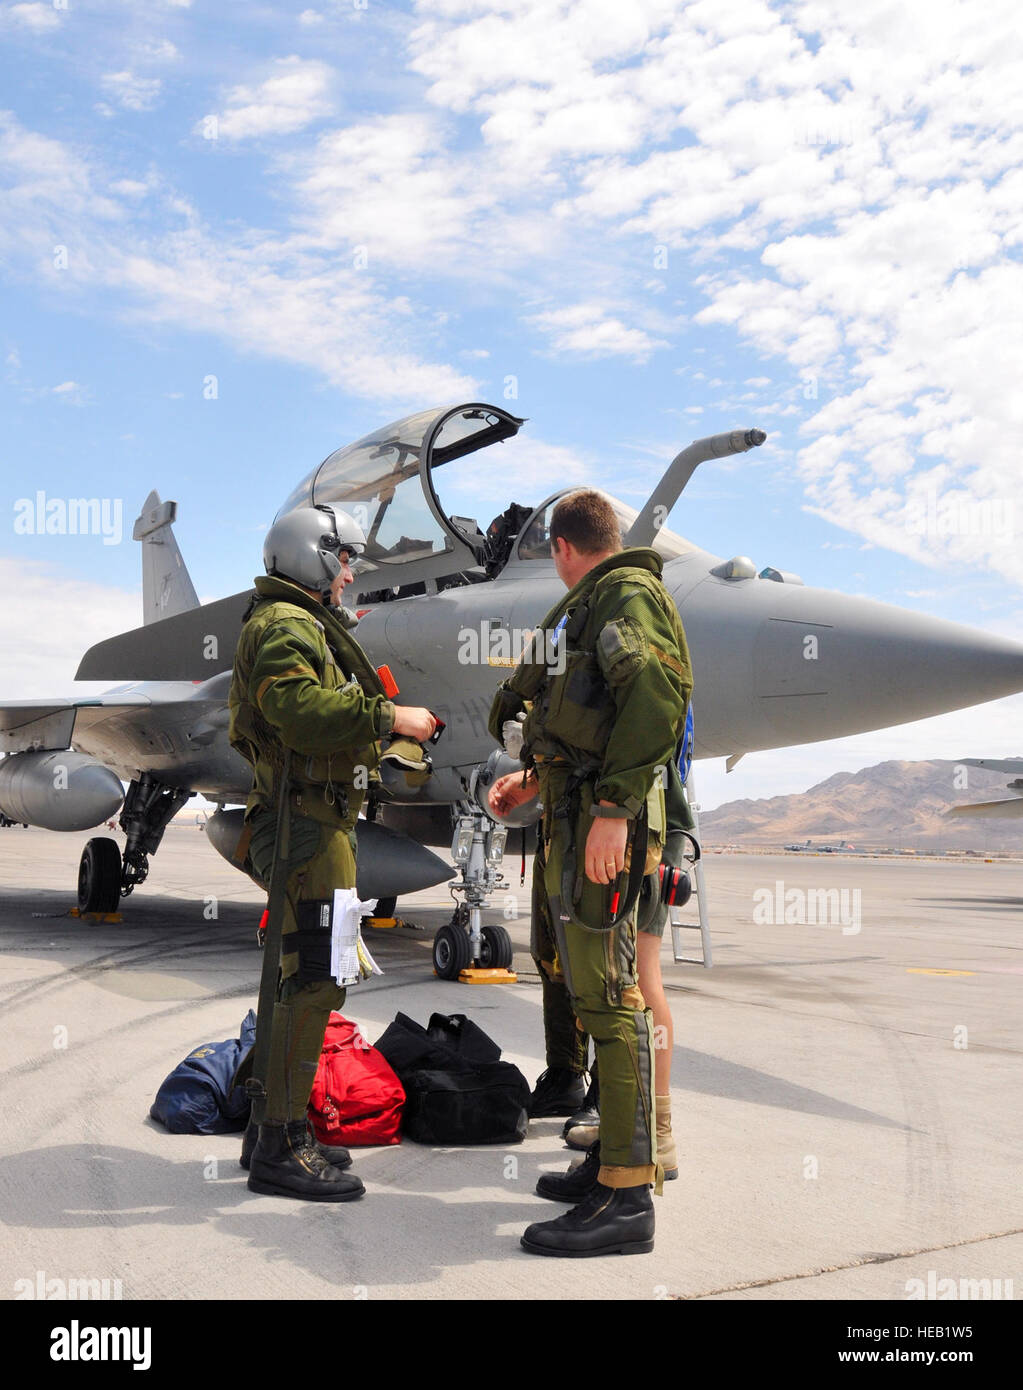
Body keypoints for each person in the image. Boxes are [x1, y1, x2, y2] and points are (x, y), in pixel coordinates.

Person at [487, 490, 692, 1256]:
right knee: (590, 992)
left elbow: (657, 696)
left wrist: (612, 808)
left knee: (610, 1000)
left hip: (600, 829)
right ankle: (608, 1165)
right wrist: (534, 780)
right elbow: (591, 722)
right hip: (571, 819)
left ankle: (627, 1196)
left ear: (562, 548)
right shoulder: (595, 604)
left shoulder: (625, 598)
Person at [228, 504, 436, 1200]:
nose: (349, 574)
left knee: (313, 975)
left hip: (323, 827)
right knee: (315, 978)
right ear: (313, 557)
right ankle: (281, 1145)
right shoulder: (286, 625)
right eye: (343, 559)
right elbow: (297, 712)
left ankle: (273, 1127)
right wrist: (388, 717)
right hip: (307, 829)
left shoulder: (302, 623)